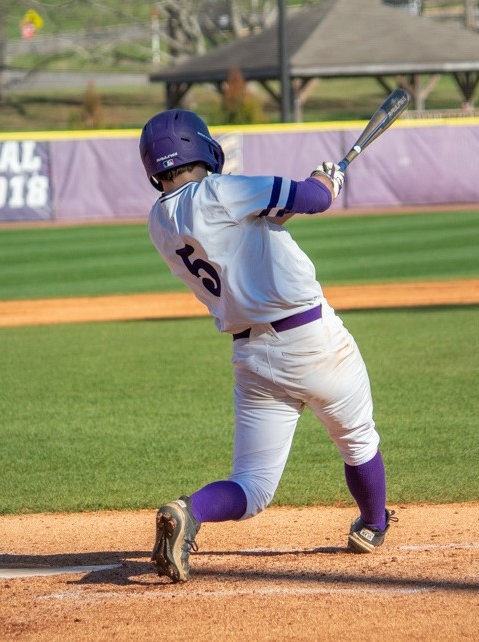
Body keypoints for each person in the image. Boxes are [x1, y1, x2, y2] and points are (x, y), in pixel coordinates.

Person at [139, 110, 393, 583]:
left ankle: (189, 510)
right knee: (357, 439)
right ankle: (373, 525)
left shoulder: (159, 220)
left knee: (251, 487)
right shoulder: (219, 190)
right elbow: (313, 198)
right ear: (199, 145)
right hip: (315, 341)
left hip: (252, 357)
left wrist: (308, 192)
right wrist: (327, 180)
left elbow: (253, 220)